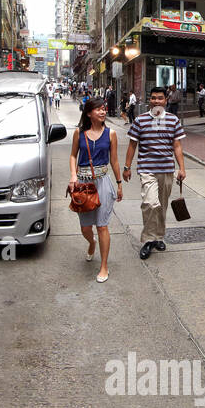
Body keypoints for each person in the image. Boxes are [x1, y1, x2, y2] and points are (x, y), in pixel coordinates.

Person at [129, 87, 187, 260]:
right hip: (147, 170)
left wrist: (181, 168)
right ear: (149, 100)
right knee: (150, 203)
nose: (156, 101)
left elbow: (177, 146)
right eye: (153, 98)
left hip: (166, 170)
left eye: (160, 98)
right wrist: (126, 168)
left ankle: (158, 237)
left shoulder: (173, 120)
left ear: (166, 100)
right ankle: (148, 239)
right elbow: (132, 144)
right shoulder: (140, 120)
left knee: (161, 205)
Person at [72, 98, 128, 282]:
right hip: (83, 184)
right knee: (85, 227)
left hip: (103, 182)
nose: (103, 112)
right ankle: (91, 242)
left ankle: (104, 266)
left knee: (102, 225)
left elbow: (115, 160)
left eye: (104, 109)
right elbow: (73, 156)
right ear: (89, 113)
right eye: (98, 109)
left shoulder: (111, 134)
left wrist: (119, 183)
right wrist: (73, 176)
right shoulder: (79, 133)